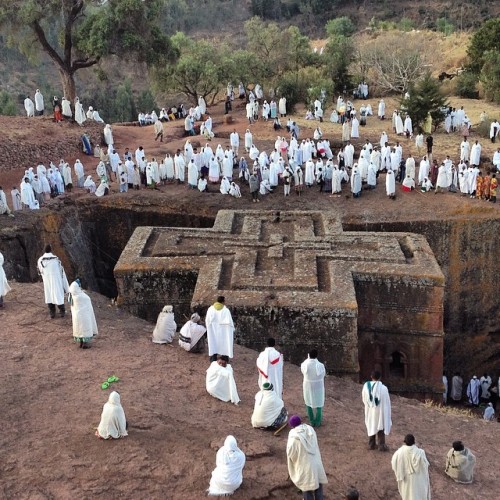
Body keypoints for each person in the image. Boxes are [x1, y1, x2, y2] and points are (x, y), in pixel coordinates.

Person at [287, 415, 328, 500]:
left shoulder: (293, 438)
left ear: (292, 426)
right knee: (318, 483)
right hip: (316, 463)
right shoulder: (310, 430)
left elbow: (291, 454)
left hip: (305, 466)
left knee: (306, 486)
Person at [391, 434, 431, 500]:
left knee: (408, 495)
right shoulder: (420, 453)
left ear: (405, 442)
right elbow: (425, 467)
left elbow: (394, 464)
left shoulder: (399, 452)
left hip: (406, 480)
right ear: (414, 442)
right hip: (418, 480)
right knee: (418, 495)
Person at [362, 370, 392, 451]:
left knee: (371, 425)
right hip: (380, 410)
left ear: (371, 377)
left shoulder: (366, 386)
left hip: (370, 410)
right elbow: (387, 402)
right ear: (380, 378)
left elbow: (364, 398)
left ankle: (371, 444)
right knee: (380, 426)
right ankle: (381, 445)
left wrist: (369, 405)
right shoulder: (384, 388)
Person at [37, 244, 69, 318]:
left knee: (49, 295)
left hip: (47, 280)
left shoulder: (40, 260)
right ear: (51, 250)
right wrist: (65, 285)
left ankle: (52, 313)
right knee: (58, 295)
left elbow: (40, 271)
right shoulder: (56, 260)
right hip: (56, 280)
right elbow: (62, 272)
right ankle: (62, 311)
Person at [301, 350, 326, 428]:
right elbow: (323, 375)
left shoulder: (304, 364)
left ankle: (311, 421)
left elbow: (303, 372)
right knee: (319, 403)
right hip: (318, 386)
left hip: (307, 386)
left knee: (308, 402)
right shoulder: (320, 365)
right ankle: (318, 421)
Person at [206, 295, 234, 361]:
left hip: (213, 330)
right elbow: (230, 322)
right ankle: (224, 357)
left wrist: (210, 327)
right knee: (224, 342)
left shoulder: (210, 309)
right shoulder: (226, 311)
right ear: (223, 302)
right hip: (223, 331)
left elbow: (207, 320)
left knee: (213, 342)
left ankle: (214, 357)